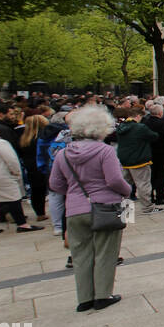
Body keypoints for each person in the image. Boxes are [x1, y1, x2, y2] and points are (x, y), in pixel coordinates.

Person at [47, 106, 131, 310]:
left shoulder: (63, 154)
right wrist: (127, 190)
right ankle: (103, 294)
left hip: (75, 208)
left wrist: (75, 191)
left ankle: (84, 298)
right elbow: (114, 180)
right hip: (105, 205)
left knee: (81, 254)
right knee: (106, 251)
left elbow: (55, 185)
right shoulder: (105, 151)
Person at [114, 107, 160, 215]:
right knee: (143, 184)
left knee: (125, 185)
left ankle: (124, 208)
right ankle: (147, 207)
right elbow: (154, 136)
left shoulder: (121, 126)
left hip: (124, 159)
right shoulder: (140, 127)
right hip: (139, 159)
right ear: (138, 116)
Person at [15, 113, 50, 221]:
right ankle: (42, 212)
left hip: (30, 166)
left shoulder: (24, 138)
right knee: (46, 189)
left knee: (36, 190)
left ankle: (40, 212)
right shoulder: (42, 137)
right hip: (42, 164)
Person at [144, 104, 164, 206]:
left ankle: (151, 195)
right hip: (162, 152)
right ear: (160, 113)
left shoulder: (145, 122)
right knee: (161, 175)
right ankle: (160, 196)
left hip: (149, 151)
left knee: (151, 175)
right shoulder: (163, 123)